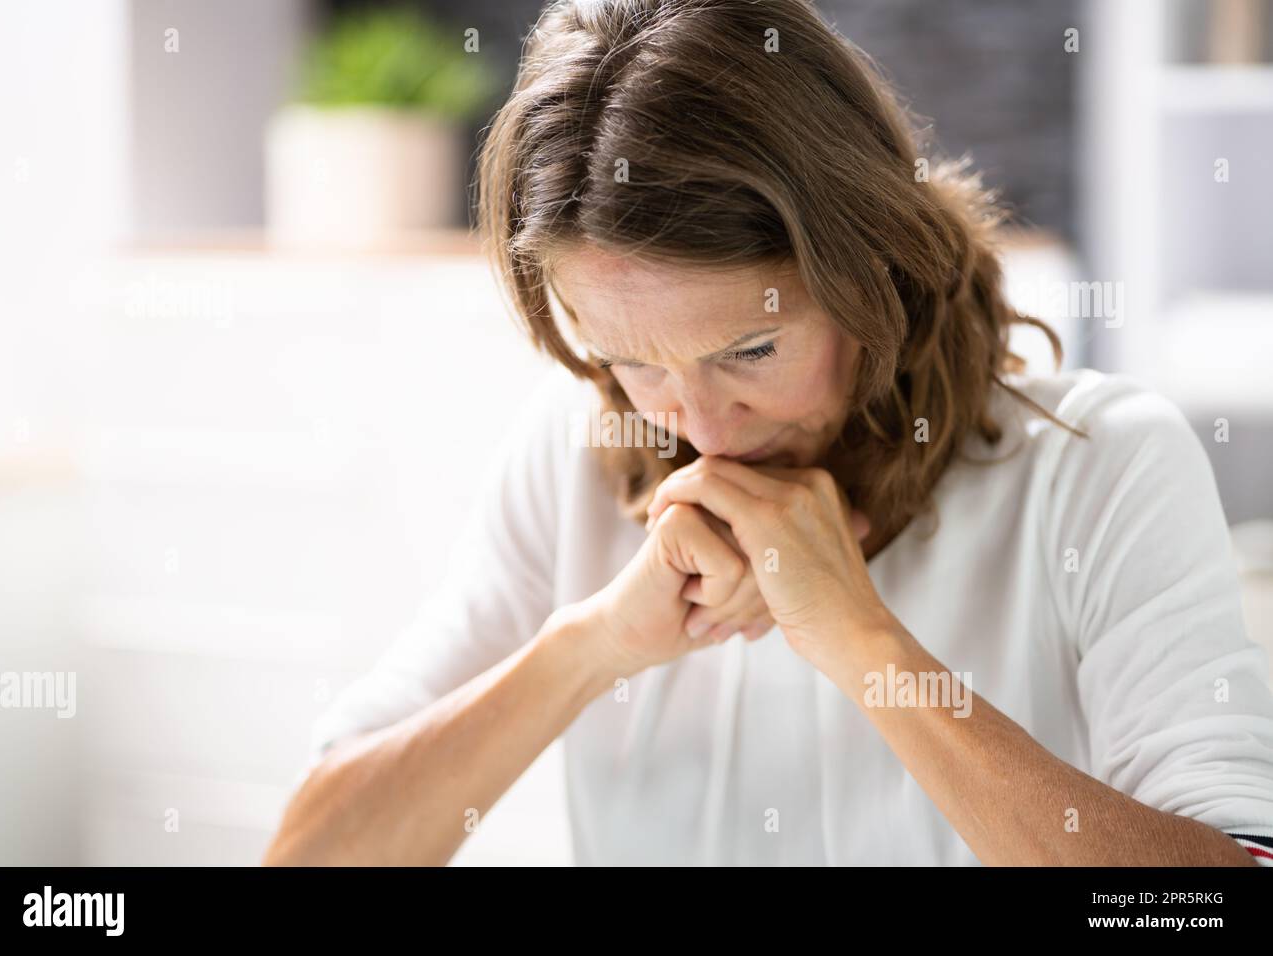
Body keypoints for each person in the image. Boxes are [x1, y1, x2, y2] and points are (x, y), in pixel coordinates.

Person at [262, 0, 1273, 866]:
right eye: (634, 357)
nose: (697, 424)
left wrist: (862, 641)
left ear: (872, 264)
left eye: (750, 349)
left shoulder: (1099, 471)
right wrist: (589, 645)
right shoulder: (568, 456)